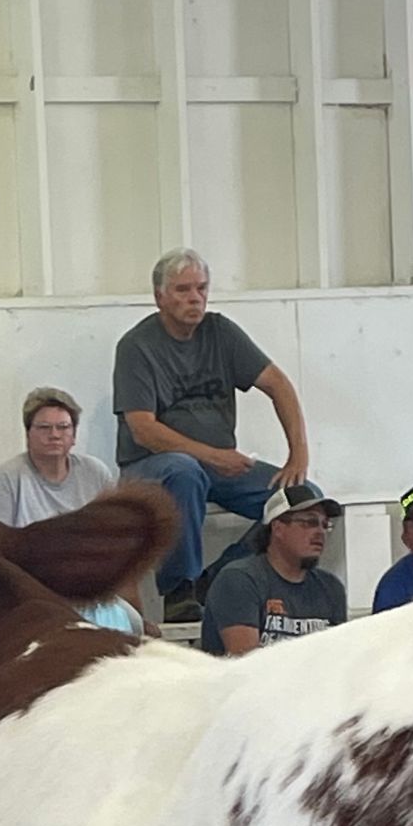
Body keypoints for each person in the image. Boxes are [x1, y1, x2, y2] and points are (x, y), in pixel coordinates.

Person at [113, 249, 313, 627]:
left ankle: (218, 578)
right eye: (183, 290)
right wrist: (213, 456)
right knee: (184, 470)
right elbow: (143, 429)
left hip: (217, 465)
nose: (195, 298)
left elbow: (278, 385)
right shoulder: (136, 346)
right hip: (151, 467)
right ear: (159, 297)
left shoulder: (221, 332)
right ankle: (179, 591)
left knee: (302, 499)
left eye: (201, 288)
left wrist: (298, 455)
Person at [0, 388, 147, 636]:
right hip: (32, 591)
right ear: (28, 434)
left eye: (63, 427)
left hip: (91, 589)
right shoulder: (7, 477)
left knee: (132, 623)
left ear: (74, 435)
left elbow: (116, 543)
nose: (54, 435)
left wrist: (139, 614)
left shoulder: (95, 472)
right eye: (44, 428)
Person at [203, 481, 347, 656]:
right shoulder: (238, 580)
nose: (320, 532)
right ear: (277, 528)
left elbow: (339, 657)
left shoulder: (331, 587)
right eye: (309, 522)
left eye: (325, 525)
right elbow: (246, 662)